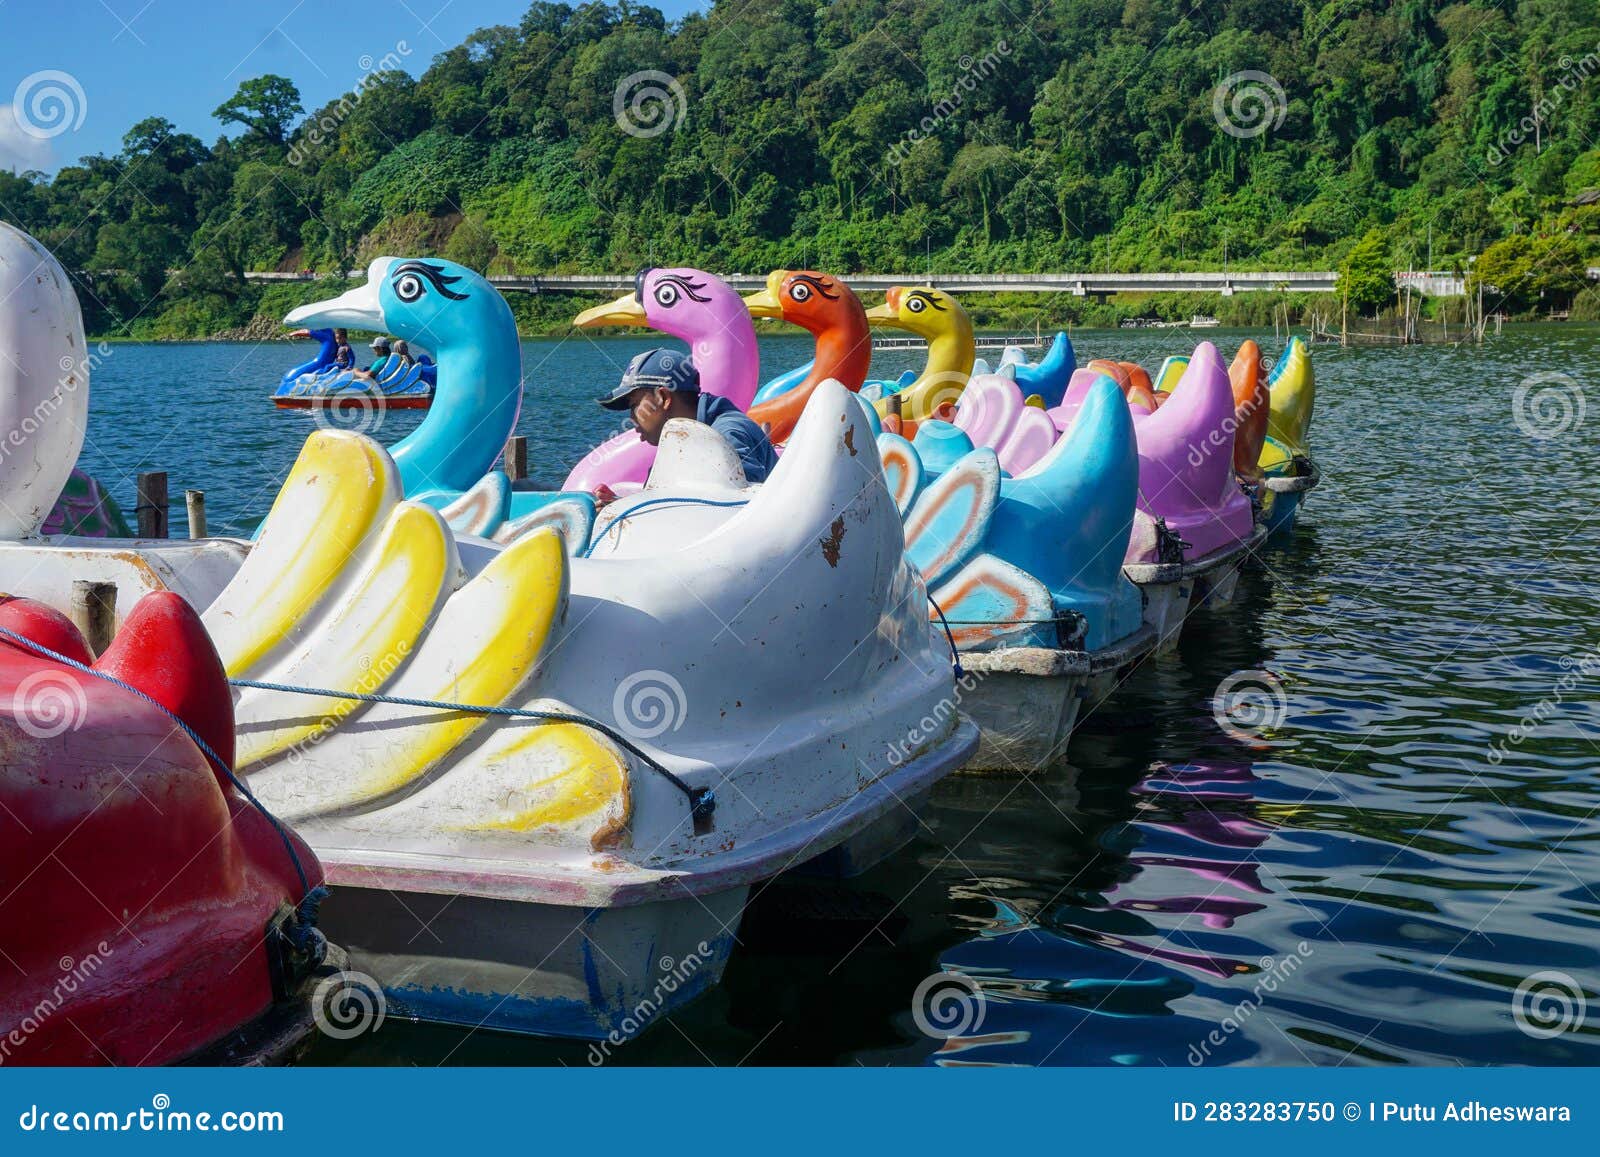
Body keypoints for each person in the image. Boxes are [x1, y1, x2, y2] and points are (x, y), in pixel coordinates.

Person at [594, 348, 776, 506]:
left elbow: (736, 508)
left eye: (634, 405)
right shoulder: (683, 439)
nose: (632, 419)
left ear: (663, 398)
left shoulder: (728, 435)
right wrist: (619, 506)